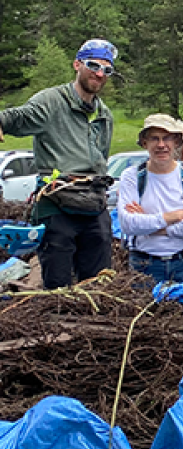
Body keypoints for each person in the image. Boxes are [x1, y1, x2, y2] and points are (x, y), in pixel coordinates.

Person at [0, 39, 117, 289]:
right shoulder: (51, 102)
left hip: (94, 205)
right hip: (56, 204)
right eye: (93, 65)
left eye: (107, 69)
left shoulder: (105, 114)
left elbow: (101, 159)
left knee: (98, 286)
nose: (99, 73)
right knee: (57, 287)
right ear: (77, 64)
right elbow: (16, 118)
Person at [118, 114, 183, 283]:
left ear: (176, 142)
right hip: (143, 265)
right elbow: (128, 224)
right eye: (154, 138)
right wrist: (172, 217)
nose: (161, 145)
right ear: (145, 143)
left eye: (166, 138)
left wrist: (153, 227)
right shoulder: (132, 176)